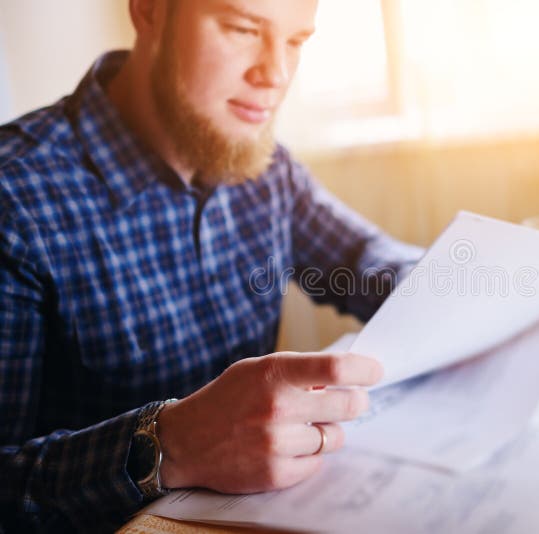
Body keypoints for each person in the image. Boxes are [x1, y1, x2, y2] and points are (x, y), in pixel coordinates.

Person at [0, 0, 422, 531]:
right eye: (243, 29)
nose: (276, 74)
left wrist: (468, 283)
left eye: (296, 41)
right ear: (149, 11)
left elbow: (366, 262)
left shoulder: (264, 168)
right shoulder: (13, 202)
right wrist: (168, 445)